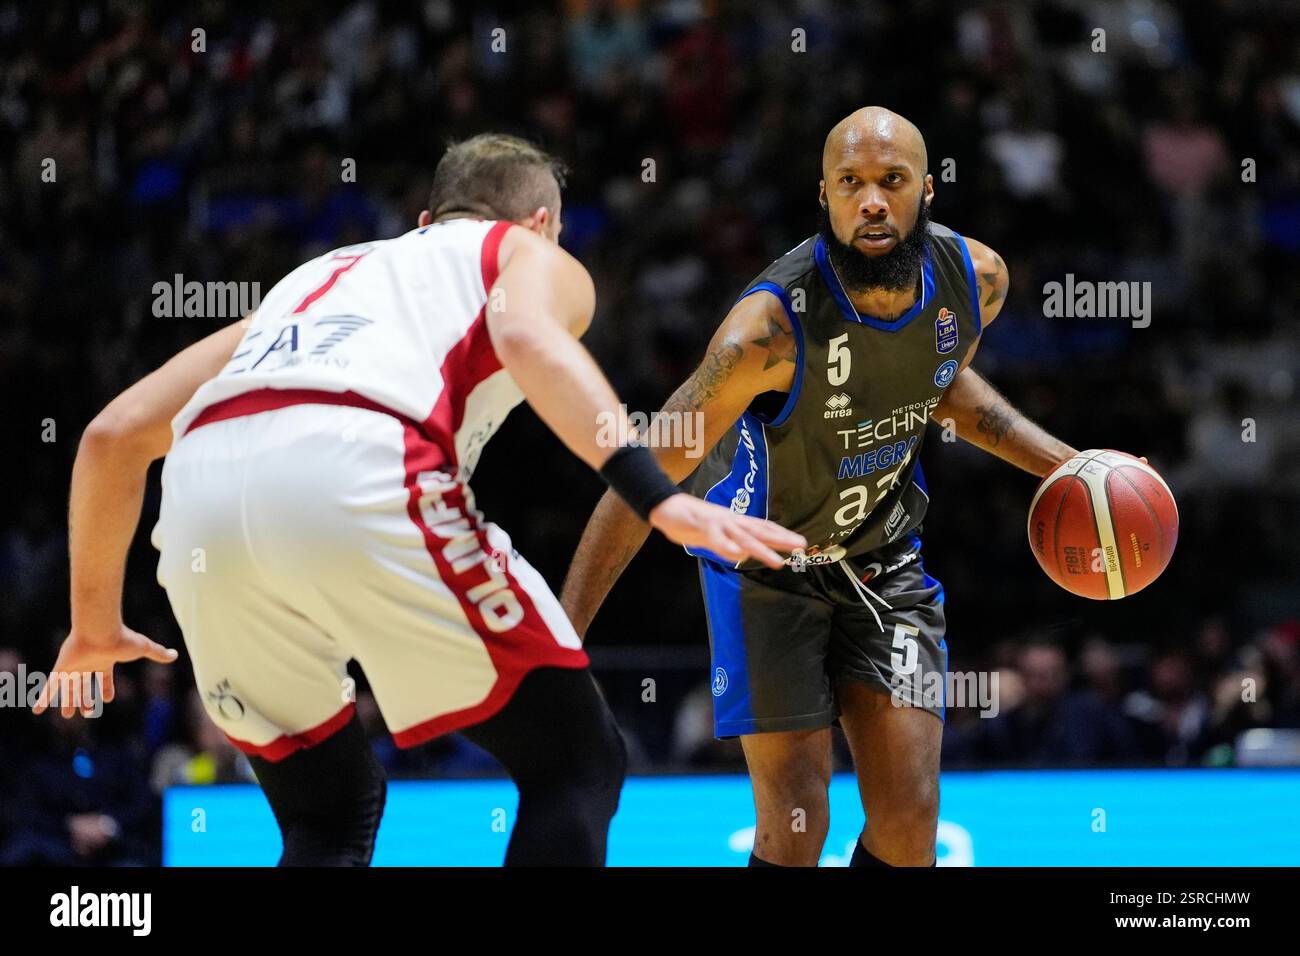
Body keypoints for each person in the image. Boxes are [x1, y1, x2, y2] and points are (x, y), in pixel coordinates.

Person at [34, 133, 805, 867]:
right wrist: (655, 494)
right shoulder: (524, 252)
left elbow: (112, 434)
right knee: (578, 762)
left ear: (426, 222)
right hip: (359, 462)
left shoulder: (309, 284)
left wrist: (95, 625)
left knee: (327, 810)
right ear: (541, 224)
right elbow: (533, 343)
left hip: (201, 500)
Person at [561, 107, 1081, 866]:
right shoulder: (762, 334)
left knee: (909, 825)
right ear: (826, 196)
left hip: (883, 560)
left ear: (927, 190)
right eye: (851, 184)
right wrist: (564, 637)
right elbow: (640, 477)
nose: (871, 200)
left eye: (891, 181)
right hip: (765, 573)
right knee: (797, 825)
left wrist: (1069, 466)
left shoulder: (979, 282)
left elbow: (935, 381)